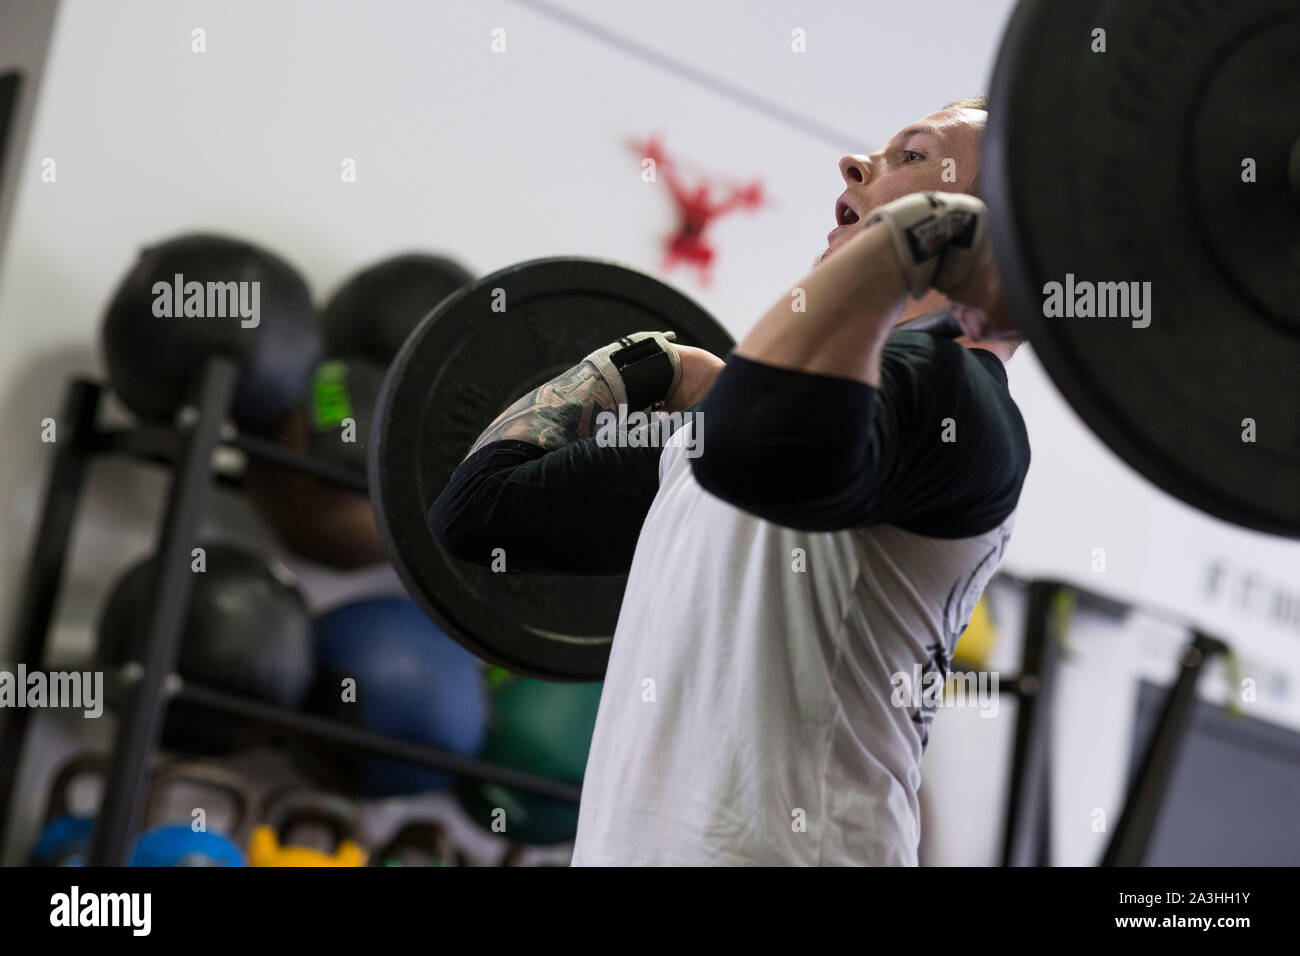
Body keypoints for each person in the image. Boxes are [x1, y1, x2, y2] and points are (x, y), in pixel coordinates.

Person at [430, 96, 1030, 866]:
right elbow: (479, 513)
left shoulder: (956, 399)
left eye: (913, 156)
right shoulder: (712, 445)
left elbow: (760, 441)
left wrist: (917, 240)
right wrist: (651, 366)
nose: (855, 163)